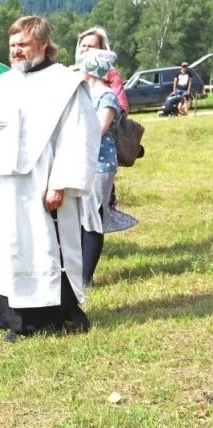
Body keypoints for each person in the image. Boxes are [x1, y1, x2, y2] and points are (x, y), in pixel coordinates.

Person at [0, 16, 99, 343]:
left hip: (39, 183)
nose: (16, 51)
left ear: (43, 44)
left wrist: (60, 185)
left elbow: (80, 138)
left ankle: (33, 318)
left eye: (23, 44)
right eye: (13, 44)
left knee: (35, 248)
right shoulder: (7, 82)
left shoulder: (65, 84)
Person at [77, 49, 122, 288]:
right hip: (82, 162)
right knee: (81, 217)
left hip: (100, 165)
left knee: (92, 218)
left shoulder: (107, 96)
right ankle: (79, 274)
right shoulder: (83, 93)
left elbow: (98, 129)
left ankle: (86, 278)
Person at [75, 27, 128, 113]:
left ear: (101, 50)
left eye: (91, 46)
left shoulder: (112, 75)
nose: (85, 49)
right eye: (83, 45)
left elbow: (123, 109)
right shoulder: (71, 73)